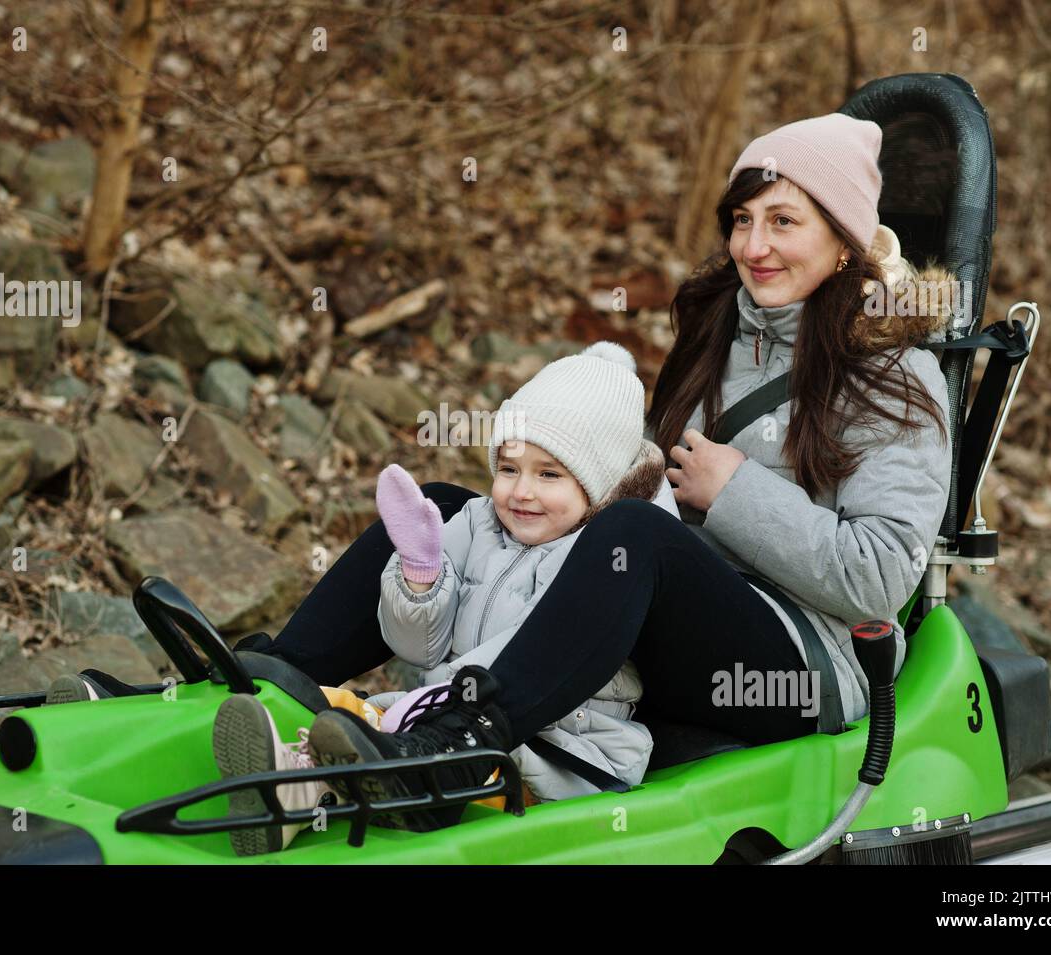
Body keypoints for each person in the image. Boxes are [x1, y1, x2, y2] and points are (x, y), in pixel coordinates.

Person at [51, 111, 956, 850]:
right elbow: (648, 475)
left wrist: (736, 494)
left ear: (843, 239)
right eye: (743, 218)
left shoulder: (894, 377)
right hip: (673, 611)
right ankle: (266, 679)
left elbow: (884, 575)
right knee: (454, 511)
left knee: (635, 537)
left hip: (799, 670)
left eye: (784, 222)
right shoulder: (724, 331)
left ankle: (455, 748)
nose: (753, 245)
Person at [207, 340, 675, 851]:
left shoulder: (602, 561)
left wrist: (425, 705)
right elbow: (420, 648)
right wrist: (421, 577)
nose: (521, 491)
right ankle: (290, 784)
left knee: (380, 728)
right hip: (442, 713)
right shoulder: (478, 524)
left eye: (549, 475)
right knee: (335, 708)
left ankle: (309, 787)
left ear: (601, 484)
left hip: (555, 752)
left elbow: (533, 657)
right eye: (509, 468)